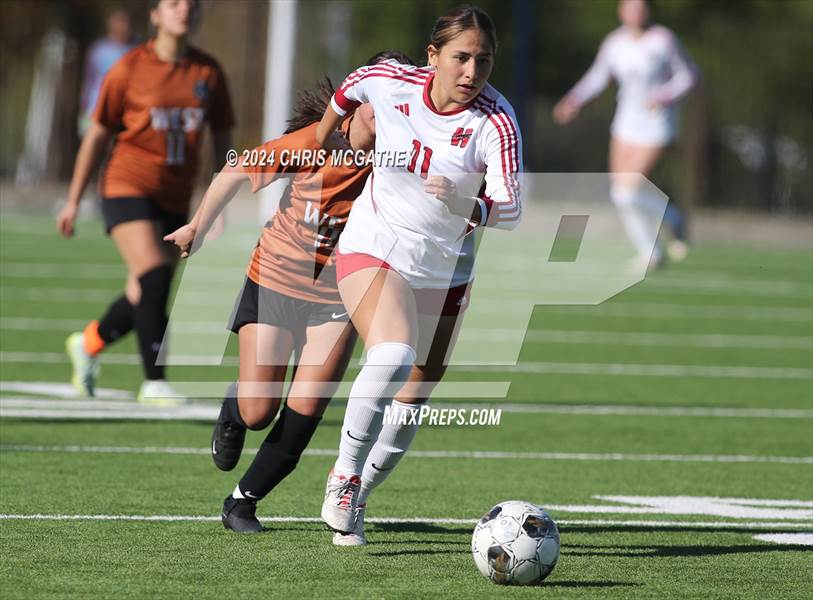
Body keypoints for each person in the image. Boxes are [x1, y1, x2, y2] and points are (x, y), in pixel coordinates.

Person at [165, 51, 416, 535]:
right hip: (275, 280)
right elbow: (238, 169)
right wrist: (199, 224)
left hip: (339, 298)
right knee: (259, 411)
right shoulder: (316, 142)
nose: (391, 111)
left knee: (305, 412)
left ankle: (242, 503)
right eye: (382, 100)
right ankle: (236, 405)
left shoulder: (401, 162)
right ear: (359, 98)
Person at [314, 5, 522, 545]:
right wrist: (325, 139)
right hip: (374, 245)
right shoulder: (393, 82)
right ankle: (343, 476)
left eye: (483, 60)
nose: (472, 72)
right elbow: (352, 87)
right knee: (392, 354)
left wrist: (466, 203)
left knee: (416, 393)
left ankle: (358, 498)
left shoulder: (496, 121)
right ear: (433, 56)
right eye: (461, 57)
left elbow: (511, 208)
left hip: (445, 271)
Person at [58, 0, 234, 405]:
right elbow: (98, 134)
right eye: (173, 3)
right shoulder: (129, 67)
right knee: (154, 276)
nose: (184, 10)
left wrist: (217, 202)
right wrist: (72, 200)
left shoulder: (208, 72)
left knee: (144, 293)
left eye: (192, 4)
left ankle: (87, 343)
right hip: (126, 185)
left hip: (175, 196)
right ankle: (155, 381)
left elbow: (222, 138)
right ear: (155, 15)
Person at [553, 0, 698, 268]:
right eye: (630, 7)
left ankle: (674, 219)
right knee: (620, 194)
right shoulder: (614, 43)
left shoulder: (663, 40)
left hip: (657, 123)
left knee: (628, 191)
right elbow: (597, 77)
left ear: (649, 10)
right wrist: (574, 100)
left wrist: (663, 97)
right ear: (621, 11)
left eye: (641, 7)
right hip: (625, 123)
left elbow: (688, 76)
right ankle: (650, 251)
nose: (636, 12)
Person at [78, 9, 134, 137]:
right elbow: (89, 80)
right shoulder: (98, 50)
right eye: (118, 22)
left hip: (124, 112)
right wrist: (84, 107)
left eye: (124, 22)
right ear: (110, 24)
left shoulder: (135, 51)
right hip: (95, 109)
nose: (122, 26)